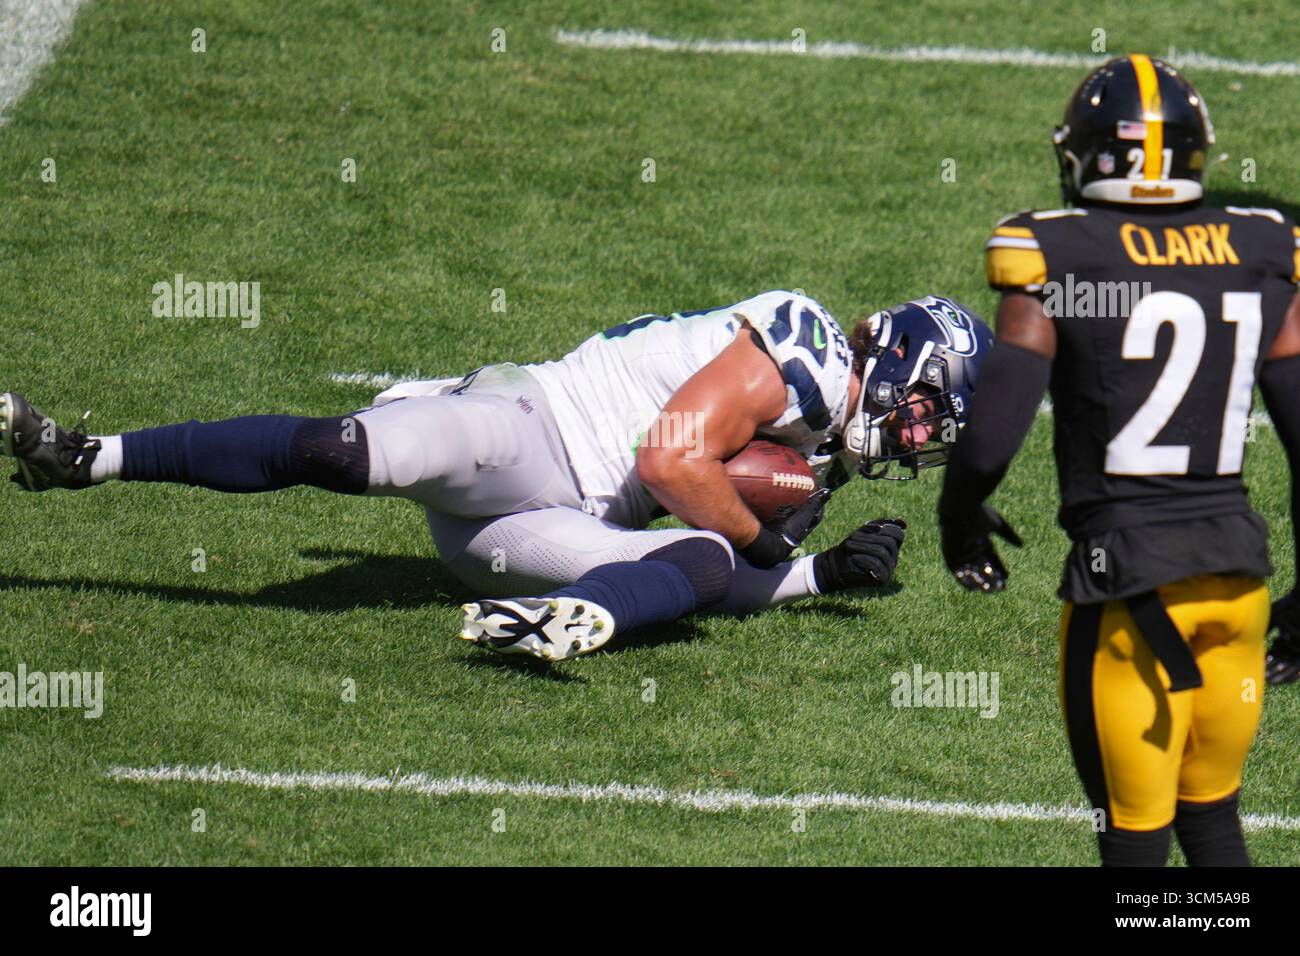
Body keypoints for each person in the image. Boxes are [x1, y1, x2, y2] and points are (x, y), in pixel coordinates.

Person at [4, 291, 991, 660]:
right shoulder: (805, 347)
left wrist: (814, 575)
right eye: (925, 412)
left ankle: (570, 620)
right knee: (335, 453)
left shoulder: (823, 455)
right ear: (904, 363)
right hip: (532, 425)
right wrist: (762, 532)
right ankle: (88, 458)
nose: (918, 439)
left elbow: (717, 556)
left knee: (688, 562)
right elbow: (667, 457)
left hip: (527, 534)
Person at [937, 55, 1300, 865]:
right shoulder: (1265, 246)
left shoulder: (1057, 252)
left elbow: (997, 426)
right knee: (1211, 823)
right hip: (1238, 580)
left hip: (1128, 587)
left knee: (1132, 844)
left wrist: (957, 518)